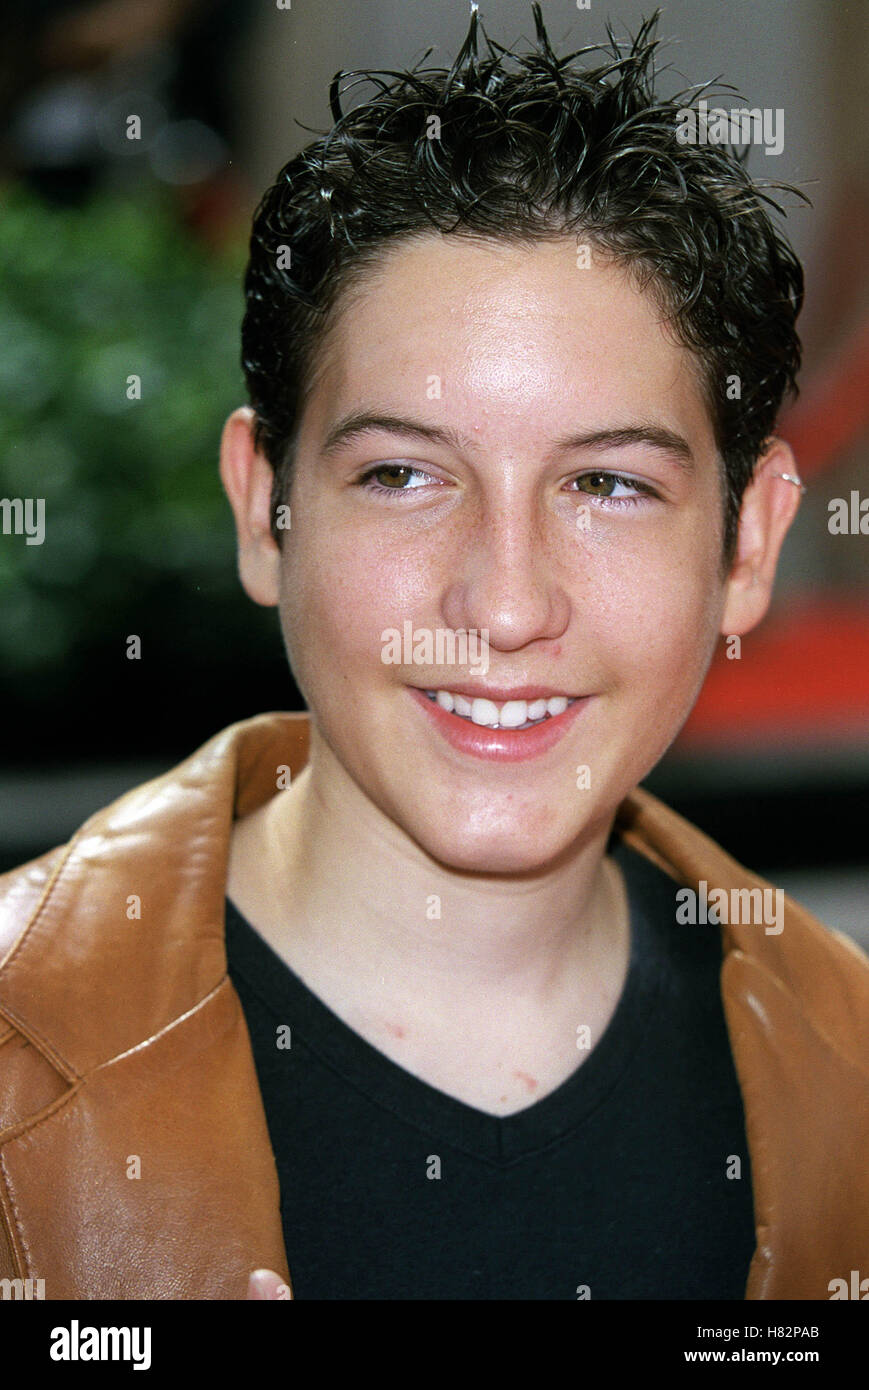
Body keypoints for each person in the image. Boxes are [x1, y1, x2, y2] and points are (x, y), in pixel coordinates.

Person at [1, 5, 867, 1303]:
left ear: (747, 548)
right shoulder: (19, 1040)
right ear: (263, 511)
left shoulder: (847, 1074)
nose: (504, 601)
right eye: (403, 473)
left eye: (608, 486)